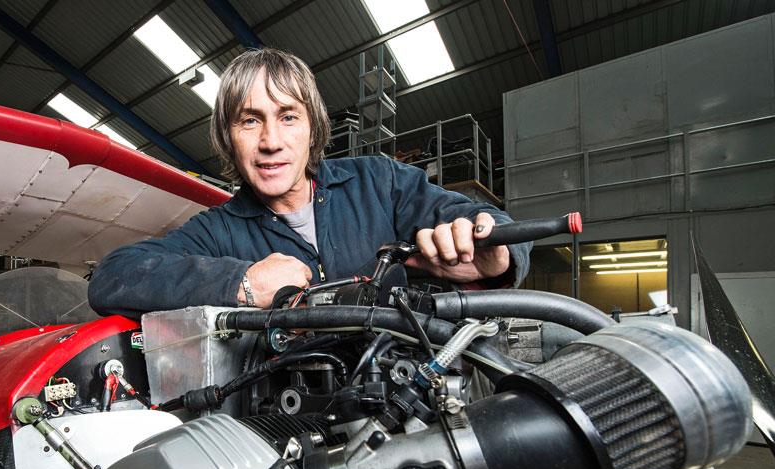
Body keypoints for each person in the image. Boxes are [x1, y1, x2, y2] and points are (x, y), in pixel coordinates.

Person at [88, 48, 530, 317]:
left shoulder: (381, 182)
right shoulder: (217, 230)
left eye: (287, 117)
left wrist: (495, 257)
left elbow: (484, 221)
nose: (271, 142)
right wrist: (242, 283)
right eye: (249, 121)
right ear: (228, 137)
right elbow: (113, 277)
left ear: (314, 129)